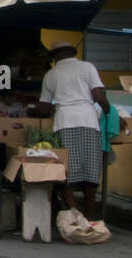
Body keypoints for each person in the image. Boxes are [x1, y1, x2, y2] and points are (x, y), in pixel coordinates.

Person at [36, 39, 110, 224]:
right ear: (72, 53)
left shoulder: (51, 74)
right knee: (91, 174)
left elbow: (44, 107)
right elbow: (98, 95)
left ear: (54, 57)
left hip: (64, 123)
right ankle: (90, 218)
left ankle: (73, 213)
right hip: (88, 121)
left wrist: (33, 108)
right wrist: (108, 110)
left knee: (66, 172)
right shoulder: (88, 67)